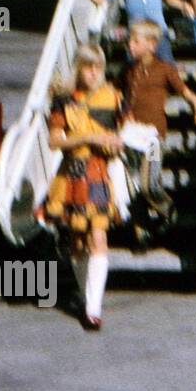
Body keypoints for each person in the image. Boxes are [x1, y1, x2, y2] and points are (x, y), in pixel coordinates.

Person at [44, 43, 123, 331]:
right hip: (74, 174)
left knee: (99, 237)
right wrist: (87, 138)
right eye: (88, 67)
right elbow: (55, 141)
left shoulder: (112, 97)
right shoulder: (63, 100)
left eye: (98, 67)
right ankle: (85, 295)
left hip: (99, 173)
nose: (93, 73)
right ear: (78, 68)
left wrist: (115, 143)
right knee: (78, 242)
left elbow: (123, 132)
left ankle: (93, 308)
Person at [118, 20, 196, 199]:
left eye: (135, 42)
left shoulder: (164, 69)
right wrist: (124, 114)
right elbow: (118, 94)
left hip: (154, 137)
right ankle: (146, 222)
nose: (129, 45)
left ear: (151, 44)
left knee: (150, 185)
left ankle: (167, 211)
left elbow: (184, 90)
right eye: (129, 41)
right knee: (129, 185)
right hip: (132, 133)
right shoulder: (129, 70)